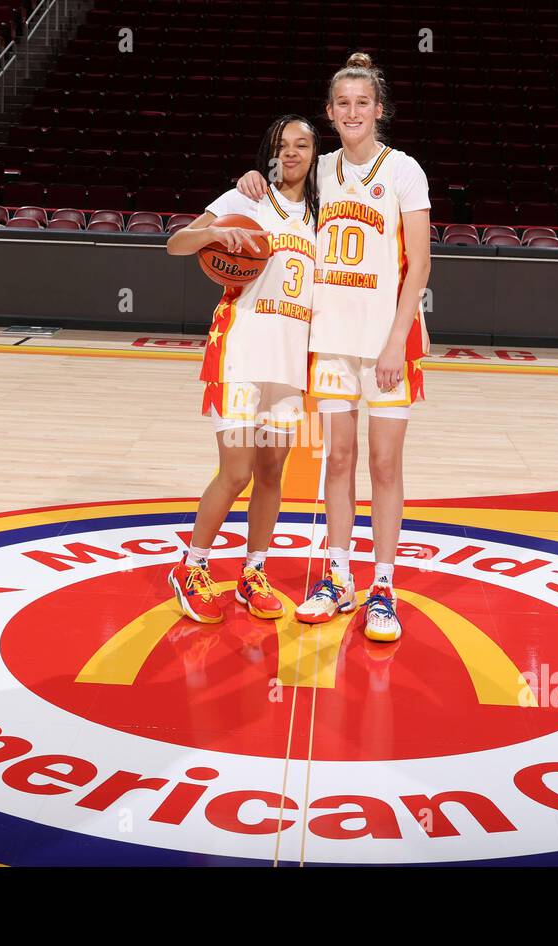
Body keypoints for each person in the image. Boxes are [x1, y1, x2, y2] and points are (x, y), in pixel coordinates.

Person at [237, 53, 430, 642]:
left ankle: (385, 585)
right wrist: (251, 180)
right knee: (337, 461)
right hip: (330, 343)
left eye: (362, 103)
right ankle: (339, 574)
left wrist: (397, 340)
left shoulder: (403, 171)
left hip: (388, 342)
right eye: (342, 104)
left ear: (378, 110)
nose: (352, 112)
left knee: (385, 464)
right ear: (330, 112)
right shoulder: (318, 169)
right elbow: (275, 190)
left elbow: (419, 263)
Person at [165, 115, 320, 623]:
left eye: (302, 145)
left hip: (290, 362)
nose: (292, 153)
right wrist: (216, 234)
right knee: (236, 471)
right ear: (270, 152)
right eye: (283, 145)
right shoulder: (246, 201)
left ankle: (253, 572)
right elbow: (177, 244)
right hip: (241, 353)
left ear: (316, 155)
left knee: (273, 471)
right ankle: (192, 567)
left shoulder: (322, 216)